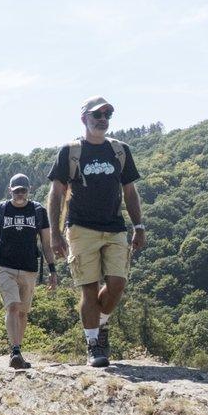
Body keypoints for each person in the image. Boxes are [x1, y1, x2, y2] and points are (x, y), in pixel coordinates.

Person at [46, 96, 146, 367]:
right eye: (97, 115)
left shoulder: (120, 150)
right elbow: (56, 193)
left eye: (107, 115)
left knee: (117, 284)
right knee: (89, 290)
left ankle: (99, 324)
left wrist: (139, 226)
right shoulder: (71, 151)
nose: (102, 119)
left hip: (114, 227)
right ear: (84, 119)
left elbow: (130, 191)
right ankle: (94, 345)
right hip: (80, 228)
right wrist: (54, 233)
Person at [0, 174, 57, 369]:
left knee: (23, 313)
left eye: (23, 190)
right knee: (13, 307)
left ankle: (18, 350)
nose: (20, 194)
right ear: (10, 190)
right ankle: (15, 351)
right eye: (16, 190)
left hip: (29, 269)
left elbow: (46, 244)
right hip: (5, 267)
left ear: (29, 189)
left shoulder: (38, 211)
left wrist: (52, 270)